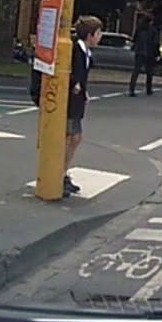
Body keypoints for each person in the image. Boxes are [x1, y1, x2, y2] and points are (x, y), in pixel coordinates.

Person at [65, 15, 103, 198]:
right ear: (90, 35)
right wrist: (76, 84)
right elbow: (70, 71)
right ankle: (60, 174)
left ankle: (62, 173)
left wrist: (83, 88)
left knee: (74, 138)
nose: (100, 36)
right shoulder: (75, 49)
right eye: (98, 33)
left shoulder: (85, 51)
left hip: (77, 100)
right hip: (71, 102)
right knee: (72, 137)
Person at [129, 13, 157, 97]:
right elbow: (155, 43)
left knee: (136, 71)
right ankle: (149, 89)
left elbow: (134, 39)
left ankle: (131, 89)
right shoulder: (153, 30)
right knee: (149, 72)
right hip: (149, 53)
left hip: (139, 52)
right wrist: (156, 53)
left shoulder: (139, 29)